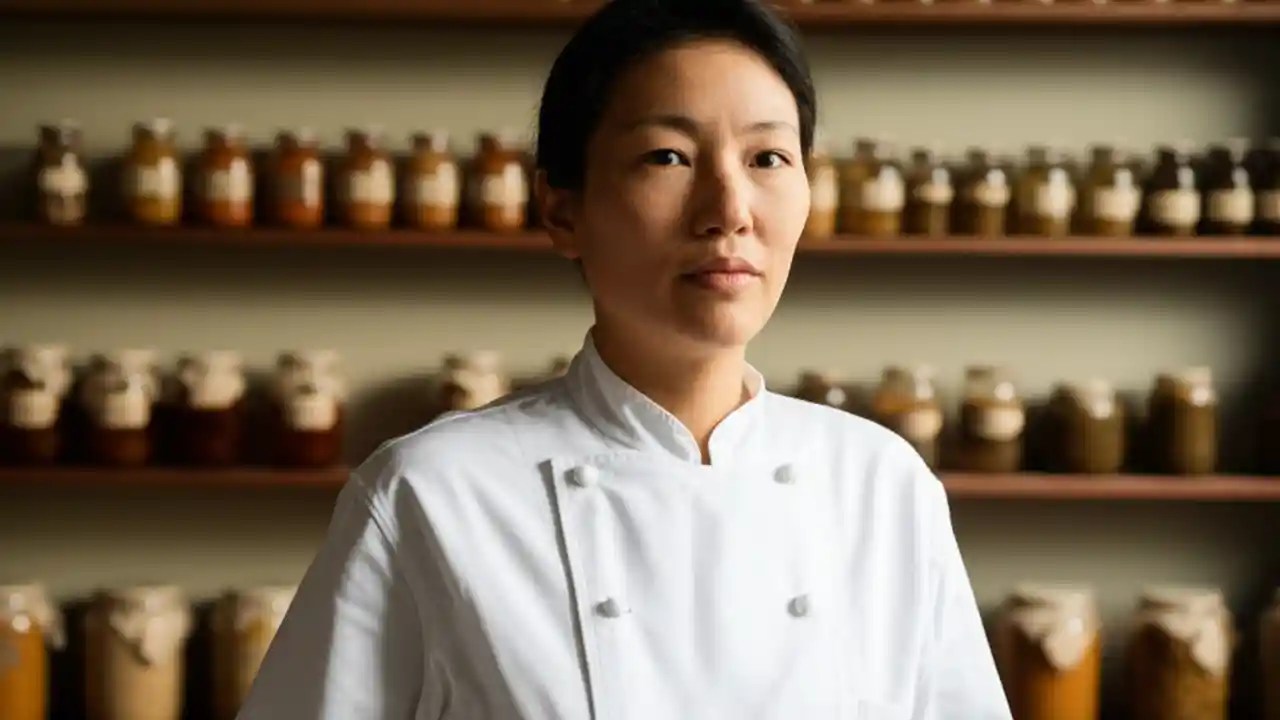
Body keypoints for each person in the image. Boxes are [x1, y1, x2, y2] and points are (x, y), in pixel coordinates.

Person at [237, 0, 1011, 717]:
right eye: (668, 157)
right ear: (560, 207)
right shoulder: (431, 496)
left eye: (768, 158)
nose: (729, 210)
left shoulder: (882, 486)